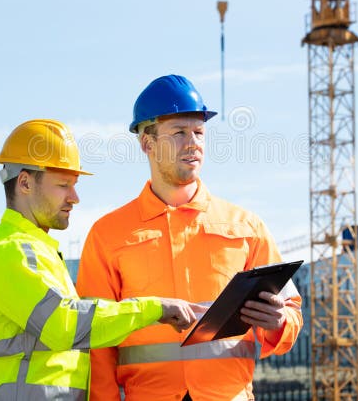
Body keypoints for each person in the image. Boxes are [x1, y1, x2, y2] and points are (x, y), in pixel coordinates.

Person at [77, 75, 303, 401]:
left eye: (199, 132)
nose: (192, 143)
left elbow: (291, 312)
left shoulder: (247, 227)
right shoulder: (108, 234)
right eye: (179, 133)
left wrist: (278, 321)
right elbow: (95, 341)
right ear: (147, 143)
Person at [0, 119, 202, 400]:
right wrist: (154, 308)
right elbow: (65, 324)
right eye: (63, 185)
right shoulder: (10, 252)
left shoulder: (36, 251)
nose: (74, 198)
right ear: (25, 182)